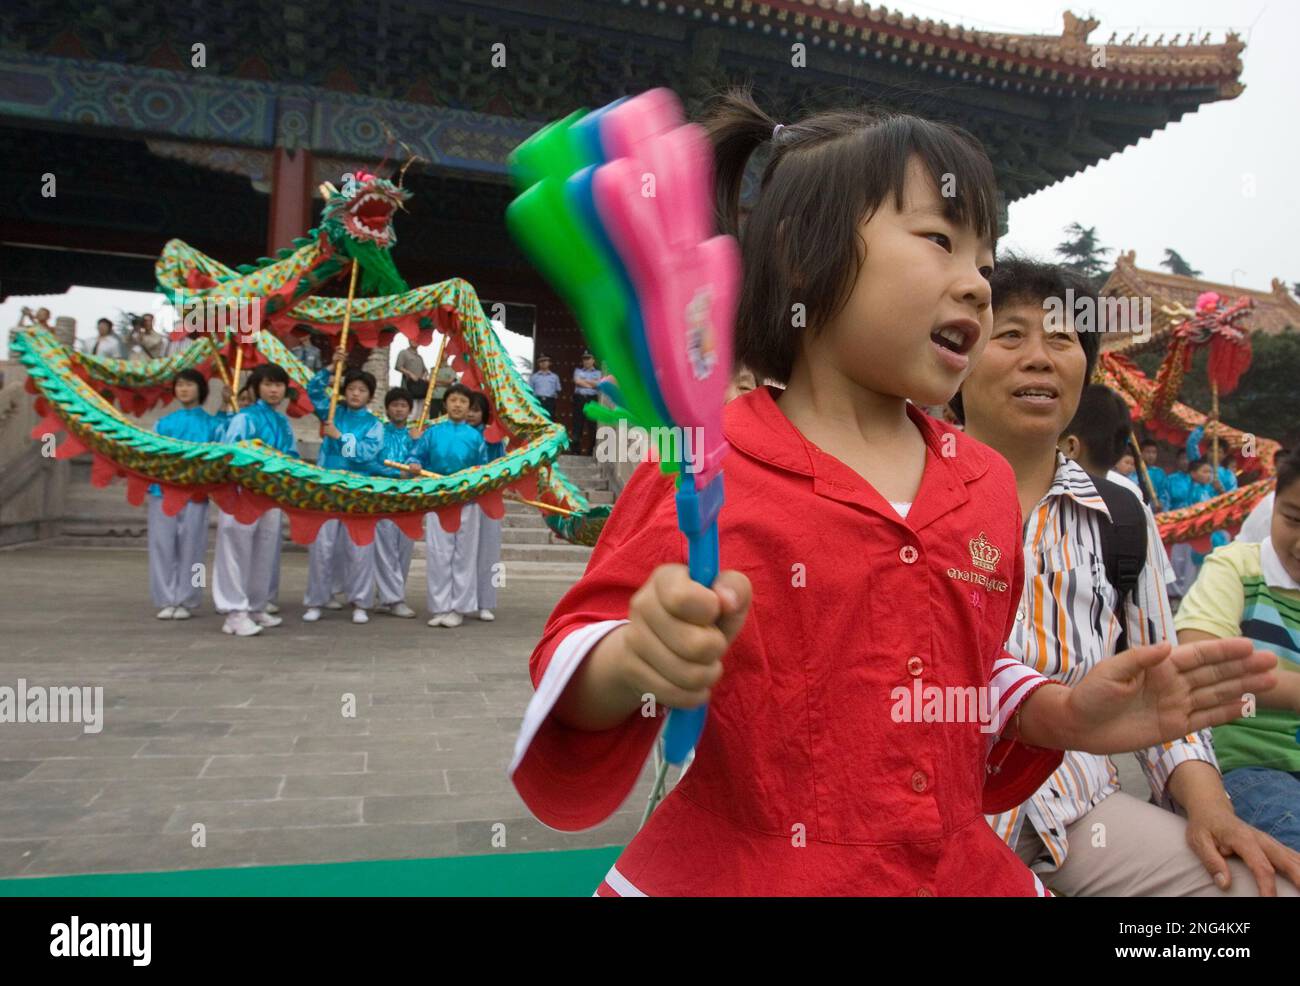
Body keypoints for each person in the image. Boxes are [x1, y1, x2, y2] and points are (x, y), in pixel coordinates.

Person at [507, 90, 1275, 897]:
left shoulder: (981, 483)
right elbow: (572, 652)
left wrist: (1062, 713)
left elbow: (969, 663)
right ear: (806, 256)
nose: (978, 285)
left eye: (983, 258)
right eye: (940, 240)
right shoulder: (709, 464)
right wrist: (632, 657)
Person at [956, 256, 1297, 896]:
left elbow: (1165, 693)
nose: (1039, 356)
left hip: (1081, 812)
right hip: (943, 814)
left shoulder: (1121, 514)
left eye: (1061, 339)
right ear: (959, 357)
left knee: (1256, 892)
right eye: (1010, 335)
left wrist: (1211, 809)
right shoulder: (910, 496)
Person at [1177, 446, 1300, 852]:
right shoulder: (1237, 569)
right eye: (1293, 519)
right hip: (1248, 767)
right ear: (1273, 506)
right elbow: (1201, 662)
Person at [212, 364, 298, 637]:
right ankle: (234, 613)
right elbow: (231, 454)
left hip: (269, 497)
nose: (274, 390)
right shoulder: (244, 418)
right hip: (242, 496)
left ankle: (257, 606)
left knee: (264, 553)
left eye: (279, 385)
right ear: (256, 387)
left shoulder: (283, 422)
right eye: (268, 384)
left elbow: (292, 456)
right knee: (235, 553)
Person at [301, 361, 385, 625]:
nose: (356, 393)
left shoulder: (374, 425)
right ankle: (317, 599)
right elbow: (312, 389)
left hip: (358, 490)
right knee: (322, 547)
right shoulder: (332, 411)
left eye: (361, 389)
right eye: (351, 388)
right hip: (327, 487)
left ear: (370, 395)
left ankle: (360, 601)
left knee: (358, 548)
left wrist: (339, 437)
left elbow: (363, 456)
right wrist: (329, 367)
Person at [406, 382, 487, 628]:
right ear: (447, 403)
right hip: (438, 500)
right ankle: (440, 607)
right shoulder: (432, 432)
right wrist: (413, 464)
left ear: (468, 407)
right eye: (454, 400)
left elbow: (482, 469)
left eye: (463, 402)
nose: (458, 405)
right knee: (439, 553)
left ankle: (460, 607)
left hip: (467, 502)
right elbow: (415, 455)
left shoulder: (475, 437)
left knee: (464, 555)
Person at [147, 370, 220, 620]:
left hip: (195, 495)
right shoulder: (164, 424)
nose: (184, 389)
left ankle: (189, 598)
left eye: (189, 385)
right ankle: (166, 598)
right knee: (162, 546)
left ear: (201, 389)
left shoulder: (212, 425)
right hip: (163, 492)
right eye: (180, 385)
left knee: (194, 549)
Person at [370, 387, 419, 619]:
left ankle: (388, 595)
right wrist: (394, 476)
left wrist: (419, 446)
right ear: (387, 408)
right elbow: (370, 461)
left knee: (403, 549)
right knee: (384, 548)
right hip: (384, 495)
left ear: (409, 410)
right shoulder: (378, 432)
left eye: (403, 405)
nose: (399, 409)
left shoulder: (415, 436)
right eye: (395, 405)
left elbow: (421, 461)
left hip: (409, 498)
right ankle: (394, 599)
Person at [468, 391, 504, 622]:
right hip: (464, 501)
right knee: (465, 553)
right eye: (468, 408)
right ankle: (464, 599)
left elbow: (501, 465)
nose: (471, 414)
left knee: (489, 552)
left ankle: (485, 602)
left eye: (476, 409)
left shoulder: (493, 438)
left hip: (489, 500)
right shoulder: (456, 434)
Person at [572, 352, 602, 455]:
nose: (586, 361)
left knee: (592, 426)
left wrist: (584, 382)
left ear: (593, 360)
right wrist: (592, 384)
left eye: (588, 358)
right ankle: (576, 451)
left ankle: (591, 451)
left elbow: (599, 384)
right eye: (584, 359)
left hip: (592, 400)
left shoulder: (599, 373)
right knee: (577, 424)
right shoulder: (578, 371)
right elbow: (577, 381)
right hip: (579, 399)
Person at [395, 338, 428, 403]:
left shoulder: (419, 357)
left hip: (420, 389)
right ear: (409, 341)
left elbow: (425, 370)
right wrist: (410, 374)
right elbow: (398, 366)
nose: (415, 341)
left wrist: (423, 377)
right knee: (408, 408)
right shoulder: (404, 352)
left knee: (420, 411)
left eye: (417, 340)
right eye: (412, 339)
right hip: (408, 387)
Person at [529, 355, 560, 420]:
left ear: (549, 363)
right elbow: (530, 390)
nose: (543, 363)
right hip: (537, 401)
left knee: (549, 420)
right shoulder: (533, 377)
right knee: (537, 420)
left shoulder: (554, 377)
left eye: (545, 361)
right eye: (541, 361)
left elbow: (558, 389)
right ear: (538, 364)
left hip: (550, 401)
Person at [1140, 438, 1168, 511]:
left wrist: (1161, 503)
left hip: (1156, 510)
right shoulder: (1135, 471)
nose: (1151, 455)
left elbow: (1164, 493)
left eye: (1154, 452)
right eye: (1148, 452)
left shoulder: (1159, 472)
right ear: (1141, 453)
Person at [429, 352, 458, 417]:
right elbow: (431, 382)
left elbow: (450, 382)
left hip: (446, 397)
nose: (442, 354)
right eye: (441, 353)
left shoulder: (451, 369)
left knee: (446, 418)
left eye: (444, 353)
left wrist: (437, 381)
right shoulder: (434, 369)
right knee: (433, 418)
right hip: (434, 397)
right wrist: (445, 383)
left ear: (448, 356)